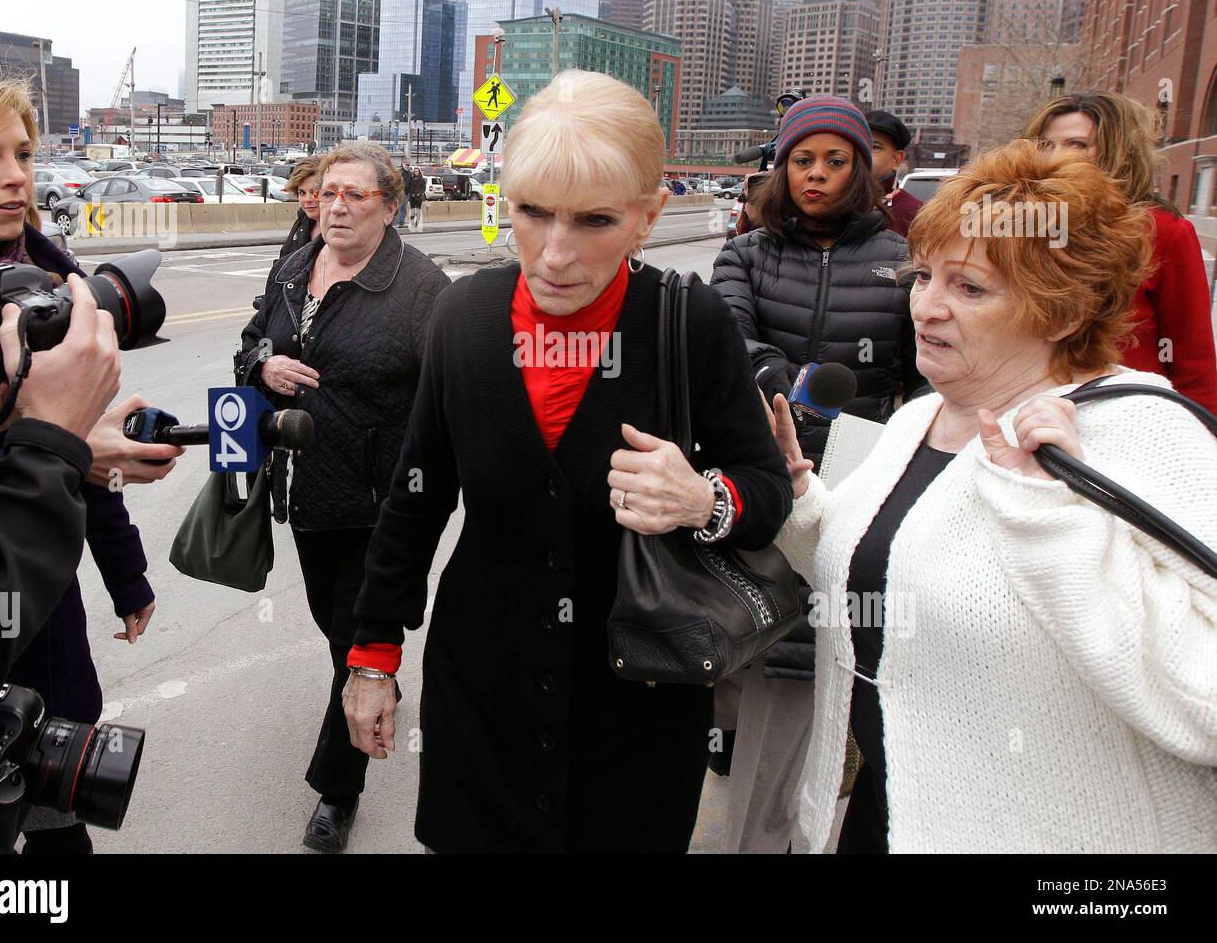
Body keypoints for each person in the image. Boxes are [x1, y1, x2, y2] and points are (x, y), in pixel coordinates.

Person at [341, 71, 790, 854]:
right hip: (483, 690)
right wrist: (373, 657)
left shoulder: (688, 324)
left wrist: (701, 499)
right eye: (533, 213)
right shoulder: (463, 317)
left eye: (594, 220)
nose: (555, 254)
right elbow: (415, 502)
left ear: (648, 216)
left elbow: (766, 492)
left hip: (638, 704)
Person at [775, 139, 1217, 853]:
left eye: (969, 289)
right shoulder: (921, 415)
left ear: (1064, 313)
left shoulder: (1140, 434)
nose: (928, 307)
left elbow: (1205, 702)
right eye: (924, 277)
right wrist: (795, 497)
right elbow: (881, 571)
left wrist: (1051, 520)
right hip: (892, 819)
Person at [0, 74, 179, 854]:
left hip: (38, 594)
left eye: (17, 154)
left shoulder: (54, 276)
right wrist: (40, 442)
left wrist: (127, 571)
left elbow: (84, 471)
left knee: (59, 815)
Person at [710, 94, 923, 853]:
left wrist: (909, 445)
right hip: (762, 476)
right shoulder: (747, 253)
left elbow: (925, 373)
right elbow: (730, 342)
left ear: (863, 170)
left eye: (836, 161)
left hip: (862, 482)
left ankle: (815, 824)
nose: (817, 175)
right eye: (803, 159)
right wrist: (788, 383)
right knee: (759, 660)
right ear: (782, 165)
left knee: (834, 665)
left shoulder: (904, 260)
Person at [236, 141, 450, 853]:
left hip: (379, 502)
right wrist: (266, 367)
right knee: (337, 626)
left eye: (357, 194)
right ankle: (376, 672)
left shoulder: (422, 288)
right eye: (329, 192)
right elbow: (247, 348)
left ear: (391, 206)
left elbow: (445, 404)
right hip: (302, 493)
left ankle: (338, 789)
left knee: (348, 643)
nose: (337, 205)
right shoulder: (296, 266)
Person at [1022, 91, 1217, 414]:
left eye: (1077, 144)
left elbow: (1192, 355)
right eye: (1045, 144)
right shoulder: (1019, 225)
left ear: (1117, 151)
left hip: (1129, 415)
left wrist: (1204, 434)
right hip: (1029, 408)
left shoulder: (1163, 231)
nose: (1055, 155)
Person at [865, 109, 922, 236]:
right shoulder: (832, 203)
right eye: (859, 144)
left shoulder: (916, 215)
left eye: (875, 147)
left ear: (897, 159)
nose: (863, 153)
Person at [278, 156, 322, 259]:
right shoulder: (302, 222)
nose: (308, 199)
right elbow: (283, 259)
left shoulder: (340, 229)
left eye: (314, 192)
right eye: (302, 193)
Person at [407, 166, 426, 230]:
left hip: (418, 197)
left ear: (419, 172)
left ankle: (417, 223)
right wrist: (411, 193)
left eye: (417, 171)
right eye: (415, 171)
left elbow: (423, 189)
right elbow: (410, 187)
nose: (416, 172)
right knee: (412, 210)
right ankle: (412, 223)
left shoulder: (422, 180)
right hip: (412, 197)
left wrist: (419, 193)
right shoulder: (412, 179)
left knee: (417, 210)